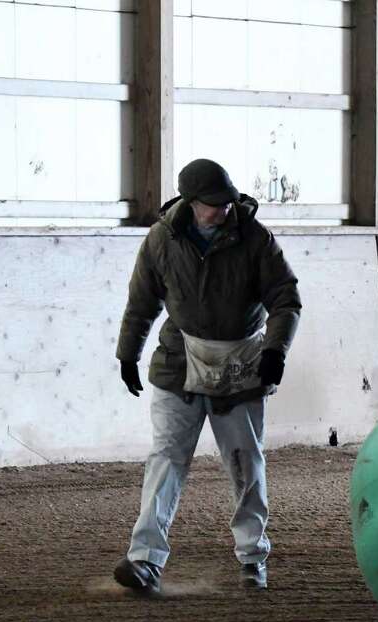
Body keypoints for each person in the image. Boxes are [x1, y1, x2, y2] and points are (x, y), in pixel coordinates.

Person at [113, 158, 302, 594]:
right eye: (214, 205)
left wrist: (275, 350)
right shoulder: (162, 240)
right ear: (191, 203)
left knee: (244, 464)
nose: (223, 210)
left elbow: (285, 298)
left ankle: (253, 557)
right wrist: (128, 354)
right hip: (178, 362)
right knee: (165, 458)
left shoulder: (256, 240)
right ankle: (144, 559)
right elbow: (141, 301)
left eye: (227, 202)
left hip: (241, 366)